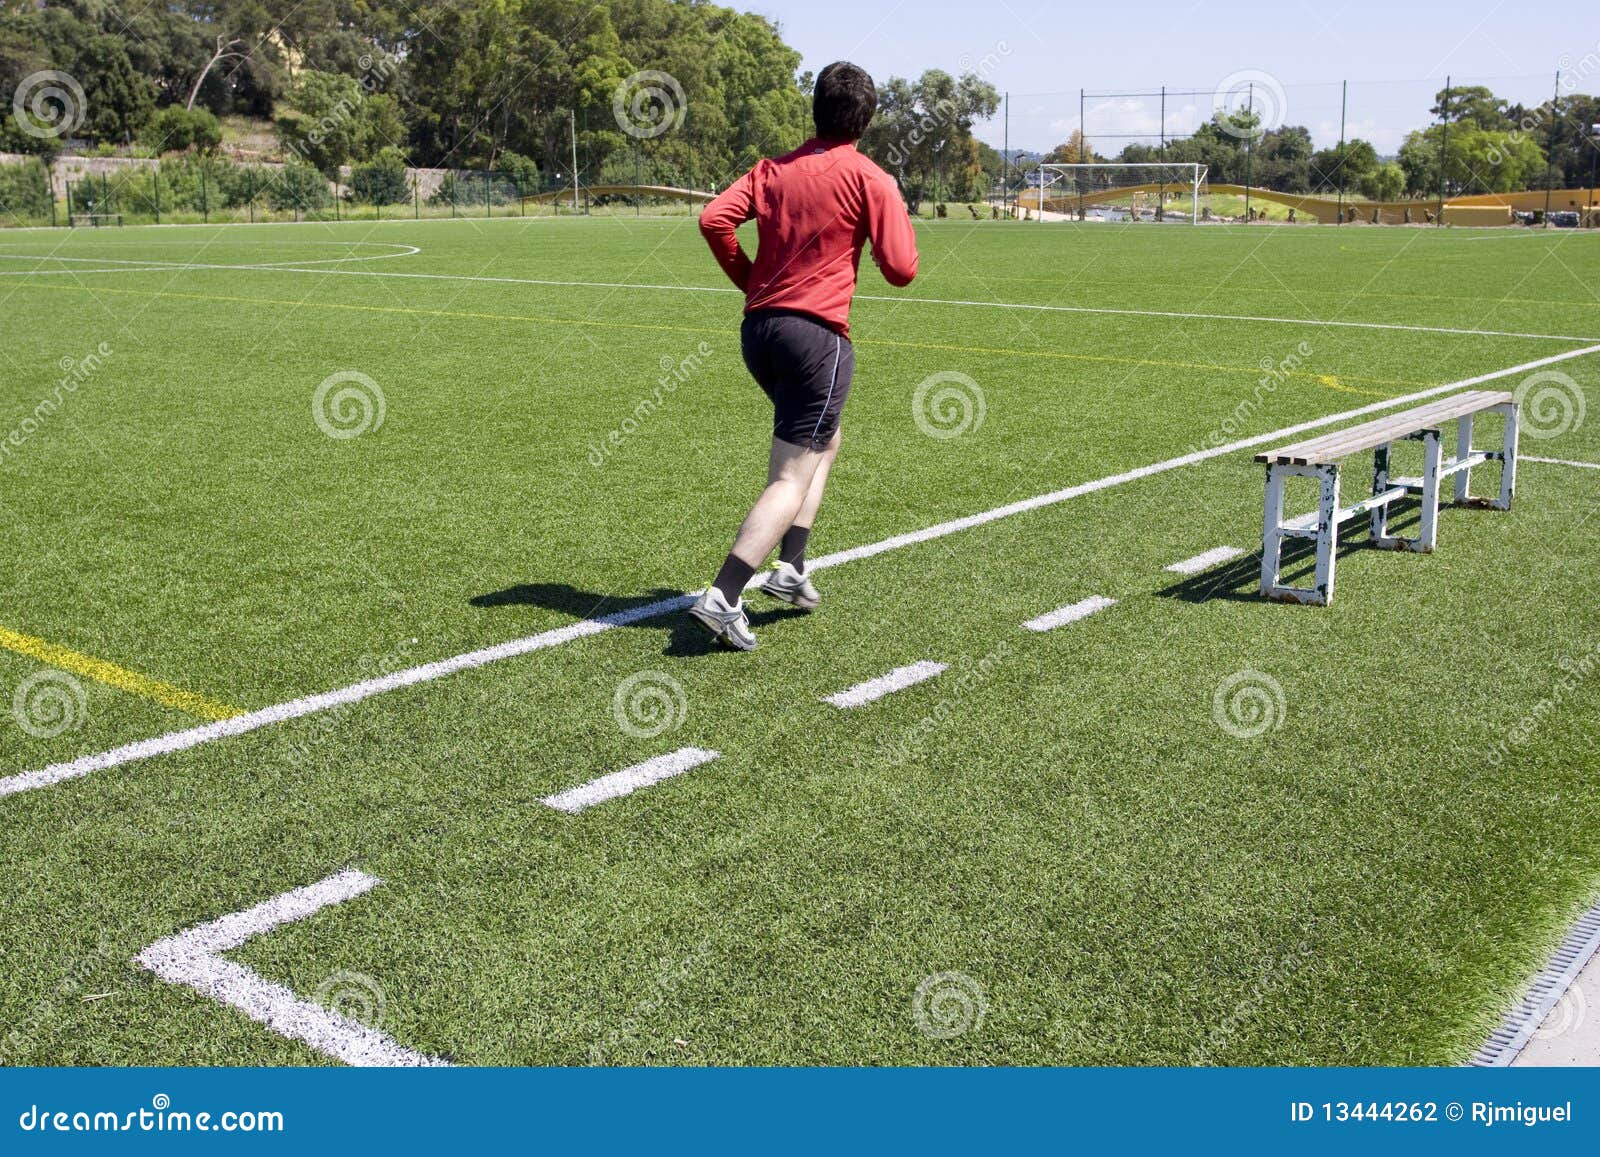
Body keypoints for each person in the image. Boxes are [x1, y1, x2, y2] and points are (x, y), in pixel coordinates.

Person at [688, 61, 919, 650]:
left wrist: (751, 281)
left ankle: (790, 569)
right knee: (793, 470)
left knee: (825, 438)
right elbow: (901, 271)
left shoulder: (772, 170)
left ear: (813, 109)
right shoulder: (871, 178)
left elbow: (715, 219)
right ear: (866, 120)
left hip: (759, 333)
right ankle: (725, 594)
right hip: (817, 338)